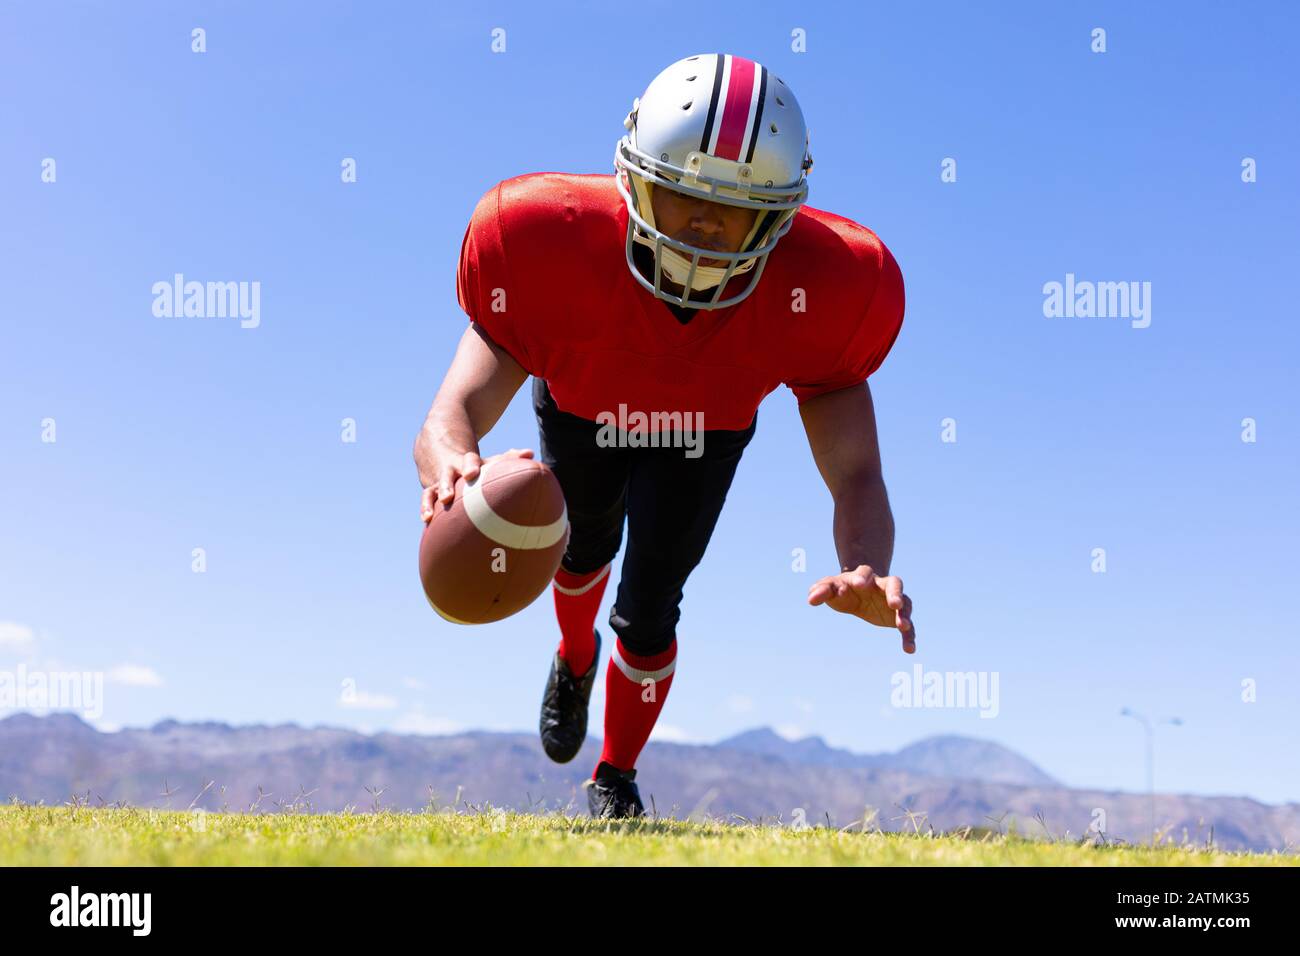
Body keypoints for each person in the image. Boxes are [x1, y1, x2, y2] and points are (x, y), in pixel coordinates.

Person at [413, 53, 914, 819]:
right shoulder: (545, 239)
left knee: (652, 606)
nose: (707, 224)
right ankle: (574, 658)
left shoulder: (837, 284)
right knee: (577, 550)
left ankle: (614, 774)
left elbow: (857, 471)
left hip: (704, 435)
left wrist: (867, 564)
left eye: (733, 207)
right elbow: (452, 411)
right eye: (682, 194)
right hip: (586, 412)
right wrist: (451, 462)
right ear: (636, 179)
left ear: (778, 215)